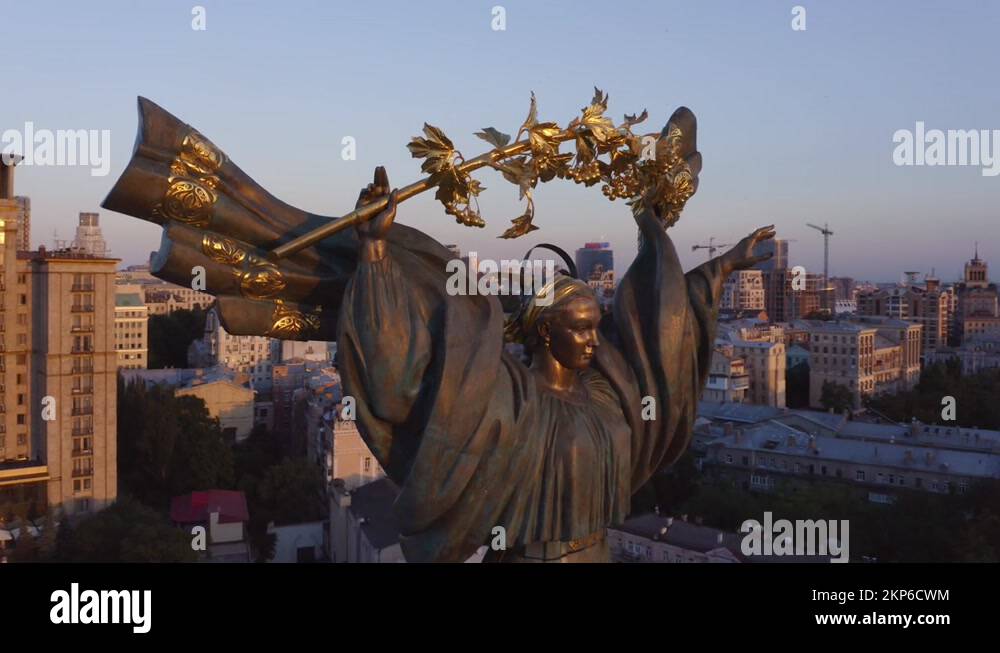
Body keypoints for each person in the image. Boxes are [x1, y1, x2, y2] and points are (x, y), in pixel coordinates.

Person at [336, 166, 775, 562]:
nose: (593, 340)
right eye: (581, 328)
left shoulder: (608, 394)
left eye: (596, 326)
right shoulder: (507, 401)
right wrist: (375, 250)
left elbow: (662, 339)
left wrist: (724, 266)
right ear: (545, 331)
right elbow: (407, 377)